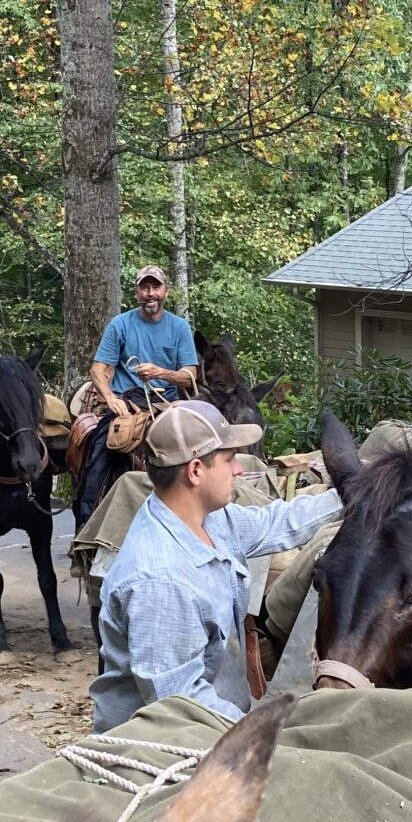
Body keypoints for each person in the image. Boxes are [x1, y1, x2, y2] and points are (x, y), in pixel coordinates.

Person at [91, 400, 343, 732]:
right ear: (195, 471)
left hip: (215, 720)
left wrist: (351, 494)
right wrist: (269, 732)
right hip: (167, 742)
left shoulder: (208, 518)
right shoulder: (162, 580)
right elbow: (181, 706)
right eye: (229, 459)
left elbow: (275, 522)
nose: (238, 469)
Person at [76, 265, 199, 526]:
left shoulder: (179, 327)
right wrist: (111, 398)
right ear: (137, 293)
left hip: (167, 403)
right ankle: (86, 523)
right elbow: (97, 369)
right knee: (100, 452)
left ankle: (199, 513)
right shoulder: (120, 324)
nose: (150, 293)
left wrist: (160, 372)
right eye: (145, 288)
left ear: (166, 291)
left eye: (156, 287)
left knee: (201, 449)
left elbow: (190, 375)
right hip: (127, 402)